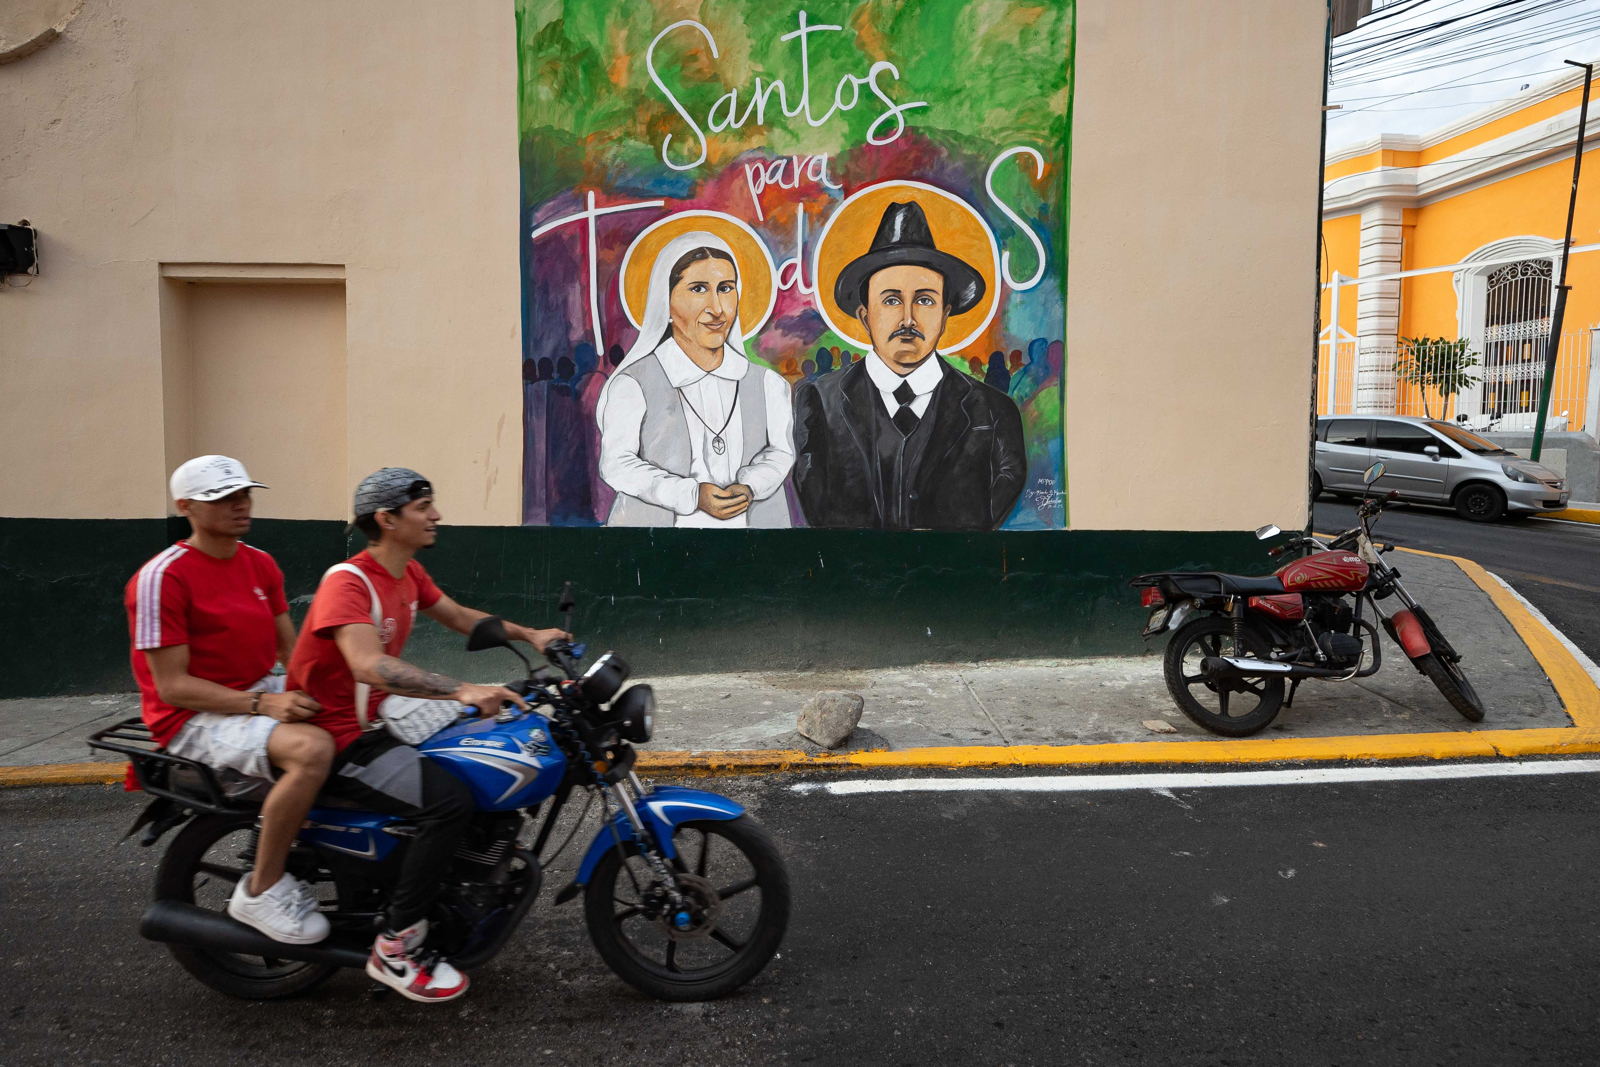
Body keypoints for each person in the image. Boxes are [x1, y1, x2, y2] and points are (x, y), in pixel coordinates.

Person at [287, 467, 567, 1003]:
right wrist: (459, 689)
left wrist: (533, 636)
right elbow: (367, 665)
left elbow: (462, 617)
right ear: (387, 520)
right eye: (423, 508)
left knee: (477, 746)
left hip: (377, 720)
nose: (436, 515)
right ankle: (395, 945)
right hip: (337, 733)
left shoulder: (407, 574)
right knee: (448, 801)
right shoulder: (347, 582)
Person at [126, 455, 333, 945]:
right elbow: (172, 685)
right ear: (186, 507)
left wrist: (340, 687)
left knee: (367, 721)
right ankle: (261, 890)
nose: (241, 505)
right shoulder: (162, 577)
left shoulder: (259, 562)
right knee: (312, 751)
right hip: (192, 715)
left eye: (244, 493)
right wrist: (265, 706)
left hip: (255, 689)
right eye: (223, 498)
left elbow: (290, 649)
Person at [793, 200, 1027, 530]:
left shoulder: (994, 411)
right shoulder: (819, 402)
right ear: (865, 316)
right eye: (890, 300)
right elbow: (816, 502)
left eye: (925, 300)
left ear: (945, 315)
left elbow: (990, 511)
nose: (908, 319)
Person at [595, 229, 794, 527]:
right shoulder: (634, 384)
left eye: (726, 288)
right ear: (667, 303)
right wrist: (692, 495)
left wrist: (750, 485)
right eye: (698, 289)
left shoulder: (768, 385)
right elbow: (617, 464)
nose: (717, 309)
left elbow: (780, 452)